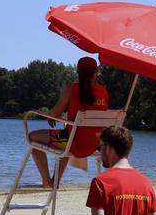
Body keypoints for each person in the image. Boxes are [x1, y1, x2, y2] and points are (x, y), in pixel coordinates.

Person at [28, 56, 109, 188]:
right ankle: (55, 181)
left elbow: (54, 114)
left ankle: (47, 181)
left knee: (32, 137)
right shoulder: (103, 92)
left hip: (73, 144)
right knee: (67, 134)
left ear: (78, 72)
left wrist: (45, 114)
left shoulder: (72, 88)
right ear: (96, 72)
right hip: (95, 145)